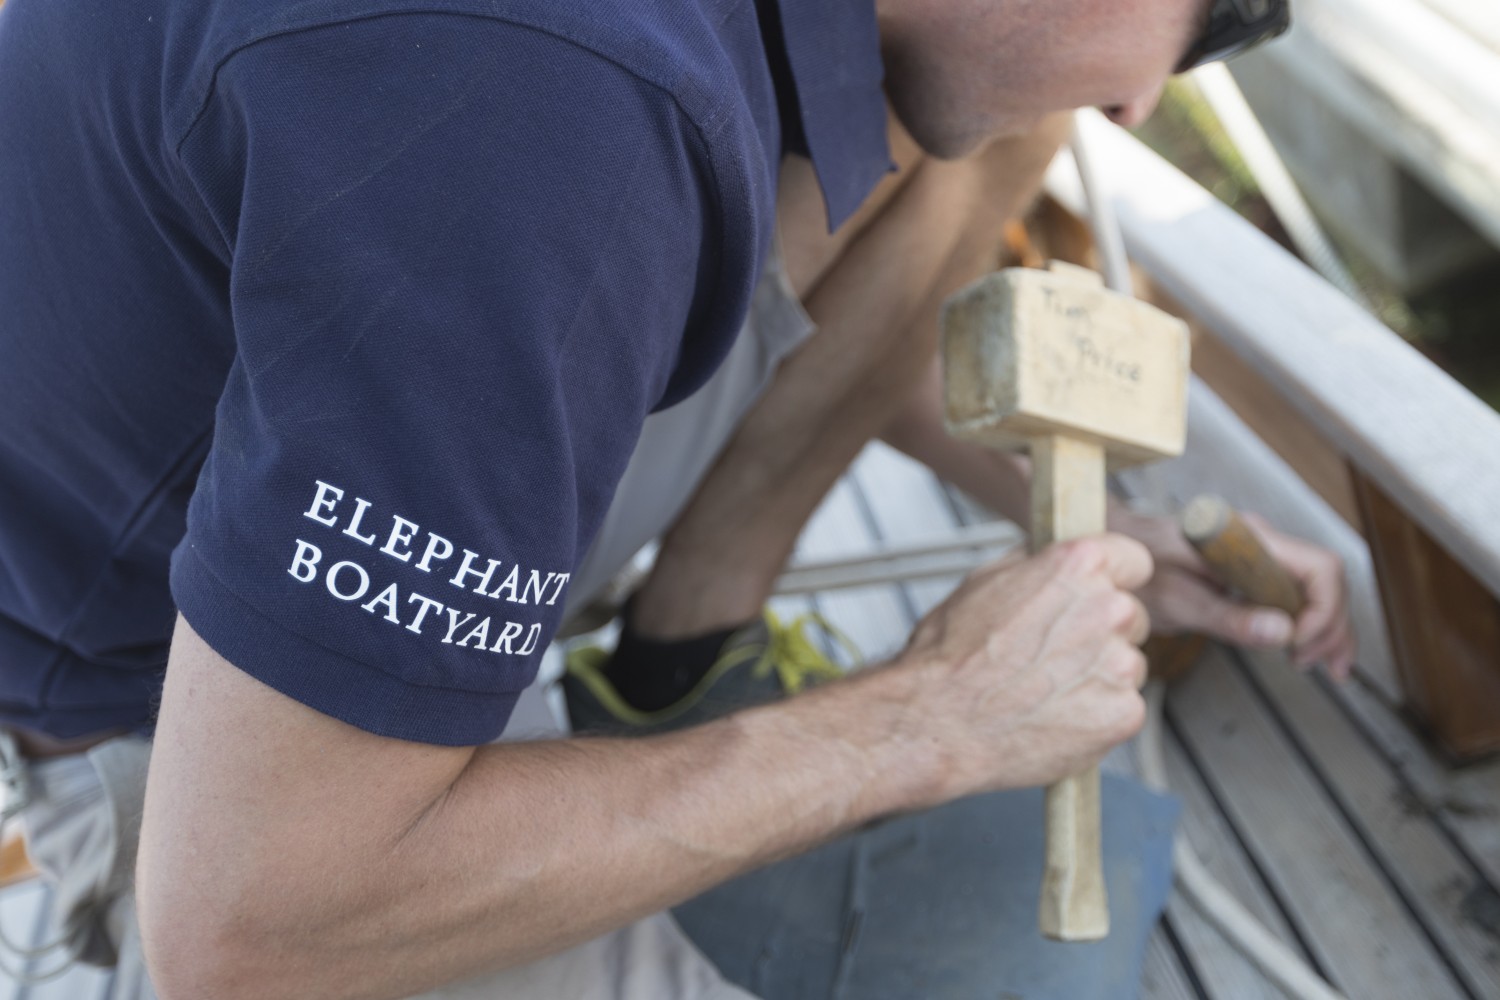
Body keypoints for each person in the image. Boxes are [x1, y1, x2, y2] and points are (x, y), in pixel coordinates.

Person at [0, 0, 1352, 997]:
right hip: (181, 721)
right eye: (1214, 21)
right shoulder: (555, 111)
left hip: (282, 470)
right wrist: (936, 716)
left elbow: (655, 314)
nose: (1144, 106)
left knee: (996, 132)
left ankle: (683, 655)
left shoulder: (677, 69)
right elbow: (253, 921)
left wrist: (1085, 523)